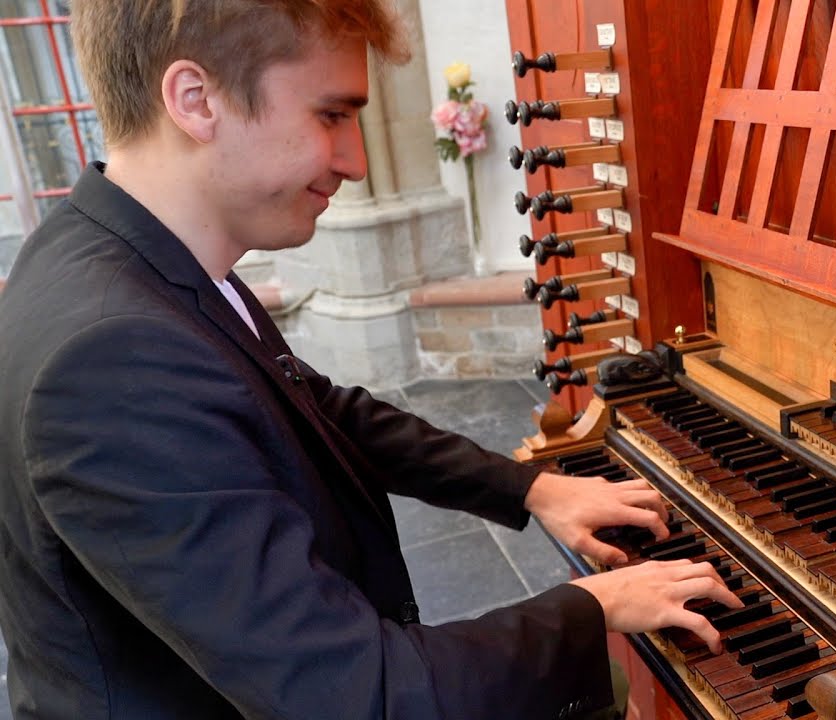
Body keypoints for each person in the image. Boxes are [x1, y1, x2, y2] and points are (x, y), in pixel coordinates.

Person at [0, 2, 741, 718]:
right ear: (197, 100)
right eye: (331, 114)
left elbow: (320, 411)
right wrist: (594, 606)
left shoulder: (133, 257)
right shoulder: (112, 361)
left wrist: (529, 490)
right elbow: (359, 696)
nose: (355, 160)